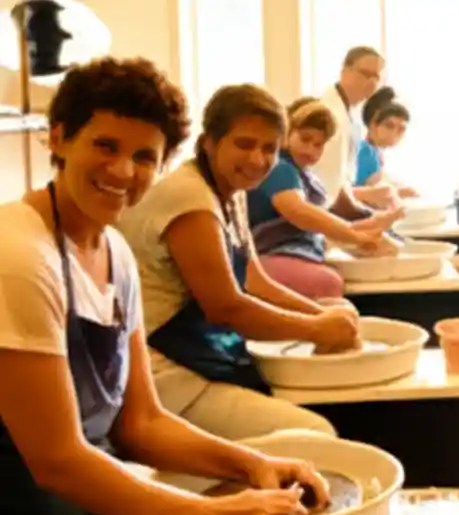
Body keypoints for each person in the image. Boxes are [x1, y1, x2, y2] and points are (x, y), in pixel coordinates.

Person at [0, 57, 333, 515]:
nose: (124, 171)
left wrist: (253, 465)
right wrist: (215, 513)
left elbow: (140, 423)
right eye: (105, 145)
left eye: (144, 156)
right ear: (57, 137)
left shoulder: (112, 252)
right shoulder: (18, 254)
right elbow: (57, 458)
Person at [117, 84, 363, 440]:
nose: (258, 160)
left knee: (332, 314)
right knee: (313, 432)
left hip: (192, 350)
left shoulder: (232, 191)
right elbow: (226, 308)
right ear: (209, 142)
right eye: (244, 144)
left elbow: (255, 279)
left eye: (269, 148)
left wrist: (320, 313)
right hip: (158, 372)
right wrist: (316, 327)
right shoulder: (190, 197)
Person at [248, 97, 401, 300]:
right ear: (286, 134)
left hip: (292, 253)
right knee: (329, 283)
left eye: (318, 145)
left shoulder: (306, 175)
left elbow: (328, 221)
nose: (311, 149)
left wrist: (373, 226)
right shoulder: (279, 169)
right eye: (305, 139)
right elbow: (298, 212)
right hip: (268, 256)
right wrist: (355, 236)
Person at [315, 45, 397, 211]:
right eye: (366, 74)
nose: (372, 82)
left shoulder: (352, 114)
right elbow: (327, 186)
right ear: (345, 71)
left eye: (377, 77)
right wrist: (365, 195)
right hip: (326, 211)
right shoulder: (329, 115)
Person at [354, 86, 417, 198]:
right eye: (389, 126)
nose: (394, 133)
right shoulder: (365, 152)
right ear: (373, 125)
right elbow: (364, 193)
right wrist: (400, 192)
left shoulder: (376, 153)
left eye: (401, 129)